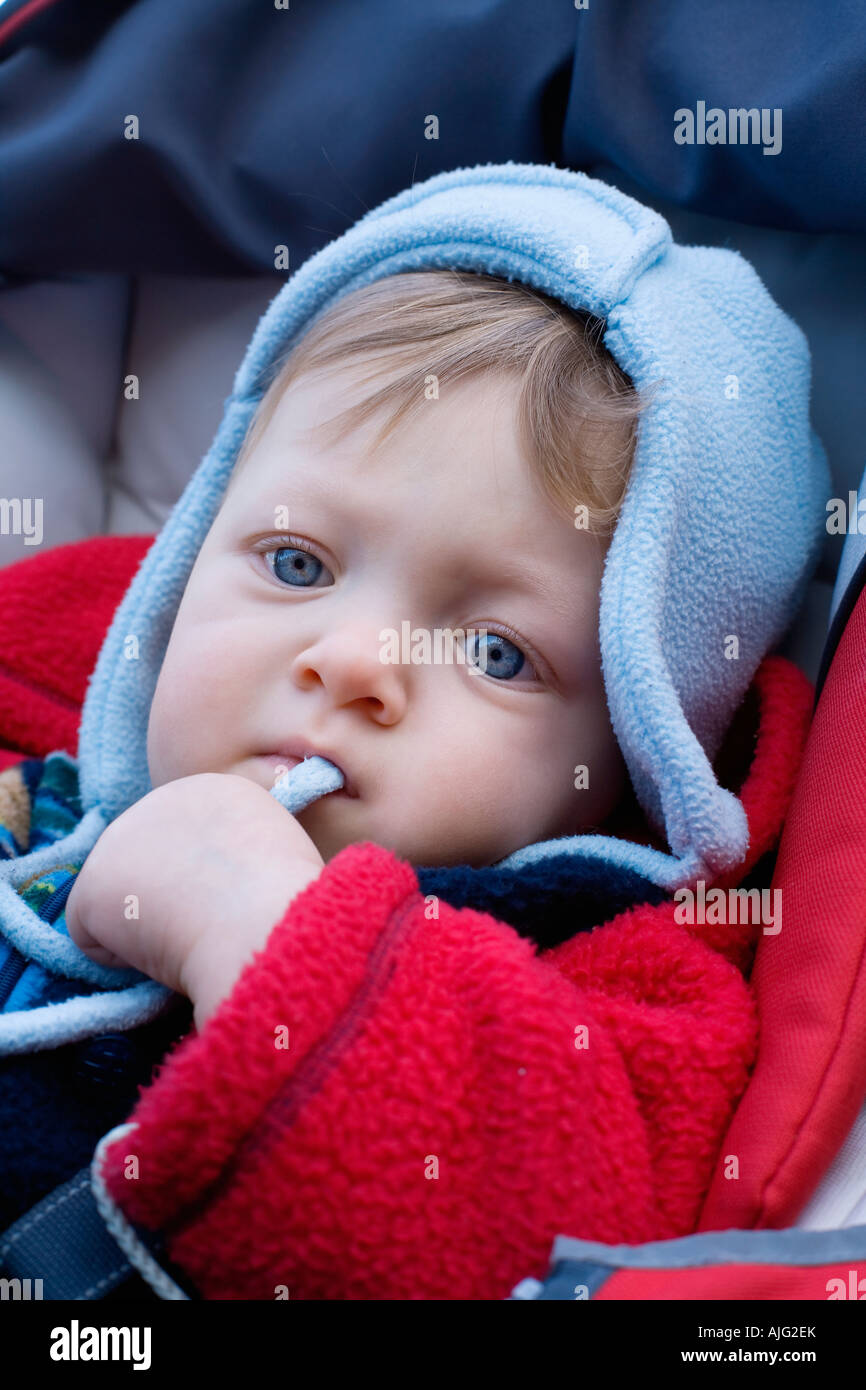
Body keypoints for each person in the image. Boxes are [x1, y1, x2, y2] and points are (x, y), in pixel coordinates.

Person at [0, 163, 828, 1299]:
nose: (349, 661)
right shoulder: (68, 667)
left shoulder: (624, 990)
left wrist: (256, 923)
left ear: (633, 766)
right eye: (296, 563)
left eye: (495, 652)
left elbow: (519, 1246)